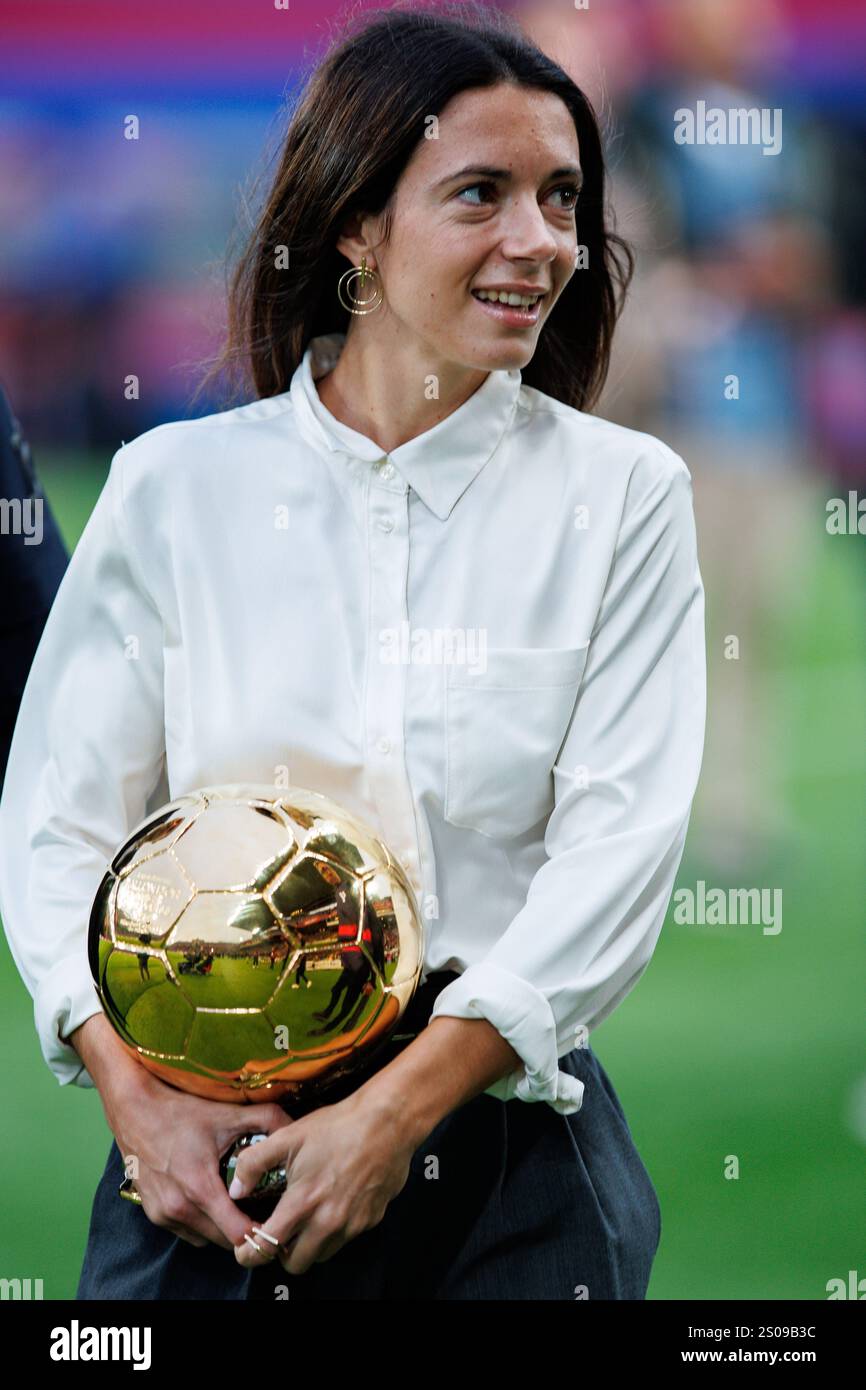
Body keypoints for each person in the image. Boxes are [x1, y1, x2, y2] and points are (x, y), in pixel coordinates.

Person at [0, 2, 706, 1300]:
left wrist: (390, 1119)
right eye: (479, 194)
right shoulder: (173, 488)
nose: (537, 241)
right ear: (354, 227)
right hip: (204, 1156)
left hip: (505, 1175)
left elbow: (618, 849)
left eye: (561, 197)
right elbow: (59, 825)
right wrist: (133, 1100)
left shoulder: (624, 495)